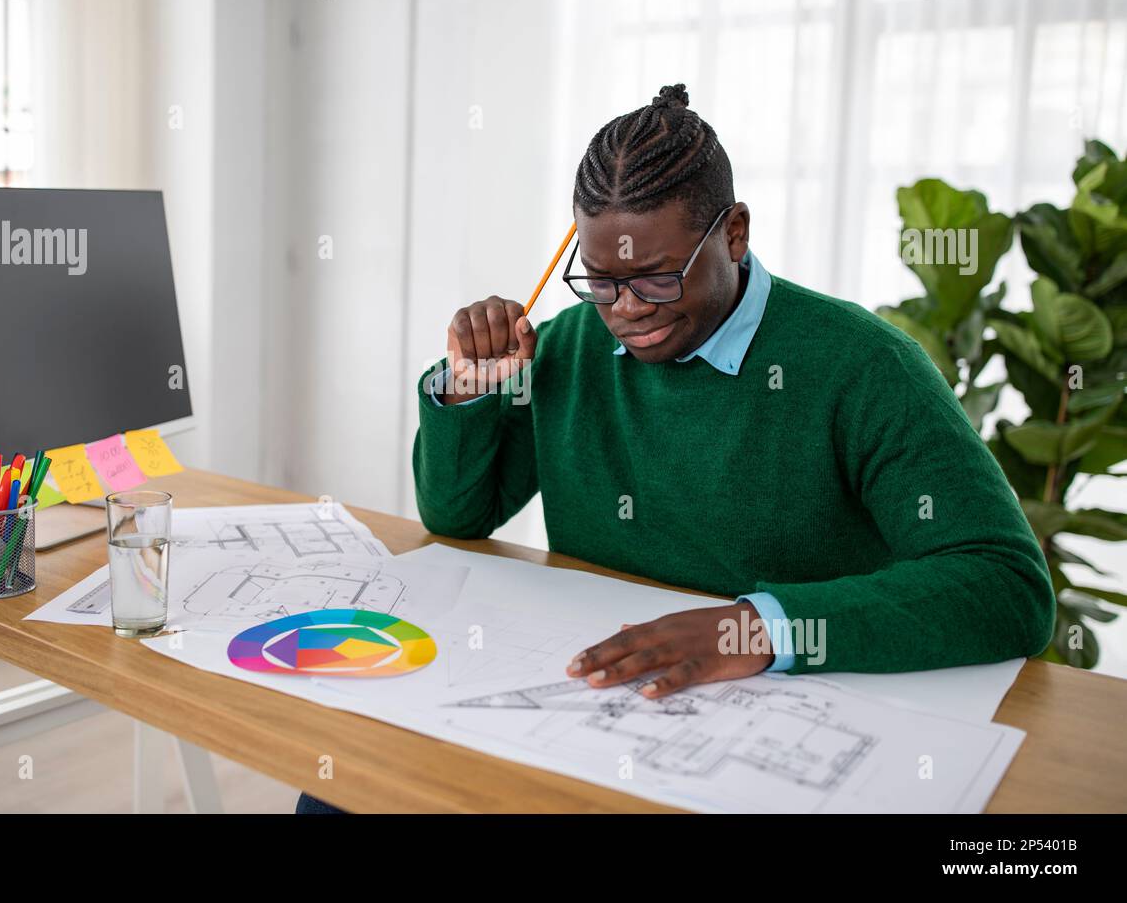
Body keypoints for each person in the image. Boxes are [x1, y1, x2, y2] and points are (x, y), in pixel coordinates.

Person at [296, 81, 1054, 815]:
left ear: (734, 233)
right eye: (600, 279)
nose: (625, 311)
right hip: (597, 709)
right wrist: (467, 391)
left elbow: (1006, 585)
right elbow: (458, 518)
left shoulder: (862, 365)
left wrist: (757, 627)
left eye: (656, 278)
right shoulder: (568, 345)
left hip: (778, 729)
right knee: (339, 789)